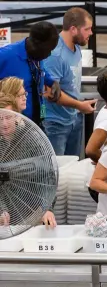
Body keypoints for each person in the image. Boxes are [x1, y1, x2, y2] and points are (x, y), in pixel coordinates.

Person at [42, 8, 97, 156]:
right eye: (87, 29)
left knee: (73, 168)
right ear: (73, 29)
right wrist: (79, 105)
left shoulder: (77, 46)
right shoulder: (55, 55)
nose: (91, 33)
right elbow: (49, 93)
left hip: (73, 118)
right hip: (55, 124)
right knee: (58, 171)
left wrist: (78, 107)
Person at [0, 94, 56, 228]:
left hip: (34, 213)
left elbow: (48, 177)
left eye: (8, 117)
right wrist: (2, 210)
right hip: (7, 216)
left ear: (17, 117)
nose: (4, 124)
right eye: (0, 119)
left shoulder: (33, 140)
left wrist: (46, 208)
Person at [0, 22, 59, 126]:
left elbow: (41, 71)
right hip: (13, 126)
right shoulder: (5, 56)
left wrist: (53, 82)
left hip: (38, 123)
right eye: (48, 50)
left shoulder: (37, 56)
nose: (49, 54)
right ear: (38, 45)